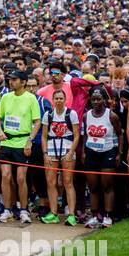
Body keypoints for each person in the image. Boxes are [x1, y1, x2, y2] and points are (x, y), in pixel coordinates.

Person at [0, 69, 40, 225]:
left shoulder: (31, 98)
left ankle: (23, 209)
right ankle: (7, 210)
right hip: (7, 141)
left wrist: (30, 141)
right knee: (6, 176)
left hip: (22, 142)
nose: (11, 82)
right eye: (10, 80)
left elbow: (37, 122)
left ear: (23, 82)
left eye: (14, 80)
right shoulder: (5, 97)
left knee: (21, 178)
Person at [81, 86, 122, 228]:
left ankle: (108, 216)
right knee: (93, 186)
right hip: (91, 151)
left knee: (107, 186)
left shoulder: (112, 116)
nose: (96, 102)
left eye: (99, 99)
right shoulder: (87, 116)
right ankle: (94, 216)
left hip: (108, 152)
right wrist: (83, 152)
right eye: (93, 99)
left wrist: (119, 153)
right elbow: (86, 134)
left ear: (104, 100)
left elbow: (119, 134)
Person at [41, 87, 79, 224]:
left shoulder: (71, 114)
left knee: (68, 182)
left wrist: (71, 152)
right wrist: (45, 153)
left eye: (61, 98)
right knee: (51, 182)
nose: (58, 101)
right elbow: (44, 136)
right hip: (51, 150)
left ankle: (72, 215)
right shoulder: (48, 115)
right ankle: (53, 213)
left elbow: (76, 135)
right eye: (56, 98)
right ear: (52, 100)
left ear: (65, 99)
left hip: (67, 149)